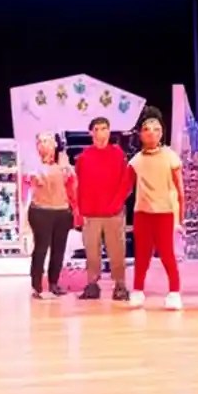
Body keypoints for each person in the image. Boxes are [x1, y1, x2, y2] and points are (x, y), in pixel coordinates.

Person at [126, 107, 186, 310]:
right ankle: (137, 290)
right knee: (142, 255)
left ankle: (174, 292)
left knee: (167, 253)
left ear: (161, 132)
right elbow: (125, 189)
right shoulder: (135, 161)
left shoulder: (170, 156)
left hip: (165, 213)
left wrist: (180, 218)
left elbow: (180, 191)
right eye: (147, 129)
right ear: (140, 134)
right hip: (142, 213)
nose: (151, 132)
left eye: (156, 129)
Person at [74, 117, 131, 301]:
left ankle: (120, 285)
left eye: (104, 128)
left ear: (109, 131)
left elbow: (126, 182)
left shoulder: (118, 154)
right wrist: (80, 211)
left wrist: (117, 204)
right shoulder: (83, 157)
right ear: (91, 132)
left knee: (117, 249)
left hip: (113, 212)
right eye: (97, 129)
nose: (100, 133)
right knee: (91, 251)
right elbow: (78, 185)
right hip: (90, 213)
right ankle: (92, 284)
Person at [27, 132, 77, 299]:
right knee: (41, 248)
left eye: (47, 141)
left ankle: (54, 282)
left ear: (55, 144)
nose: (43, 144)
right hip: (41, 211)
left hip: (62, 211)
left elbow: (72, 181)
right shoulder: (34, 164)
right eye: (40, 141)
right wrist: (37, 175)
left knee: (59, 249)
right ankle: (36, 285)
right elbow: (33, 178)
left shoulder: (64, 162)